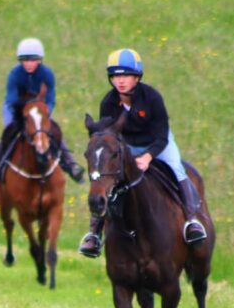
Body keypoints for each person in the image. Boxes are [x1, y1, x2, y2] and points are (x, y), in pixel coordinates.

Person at [78, 49, 208, 258]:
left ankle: (192, 220)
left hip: (158, 143)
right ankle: (94, 233)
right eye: (116, 76)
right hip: (127, 146)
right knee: (106, 178)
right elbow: (108, 136)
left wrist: (148, 157)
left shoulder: (152, 98)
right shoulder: (108, 102)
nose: (120, 81)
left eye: (126, 75)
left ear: (137, 77)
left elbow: (162, 135)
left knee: (177, 168)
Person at [0, 37, 84, 186]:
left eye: (32, 60)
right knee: (8, 134)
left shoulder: (47, 75)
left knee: (55, 132)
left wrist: (44, 118)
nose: (28, 64)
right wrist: (12, 122)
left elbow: (50, 100)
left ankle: (71, 164)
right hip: (18, 111)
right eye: (24, 60)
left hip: (40, 112)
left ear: (40, 60)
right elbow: (11, 101)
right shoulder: (14, 75)